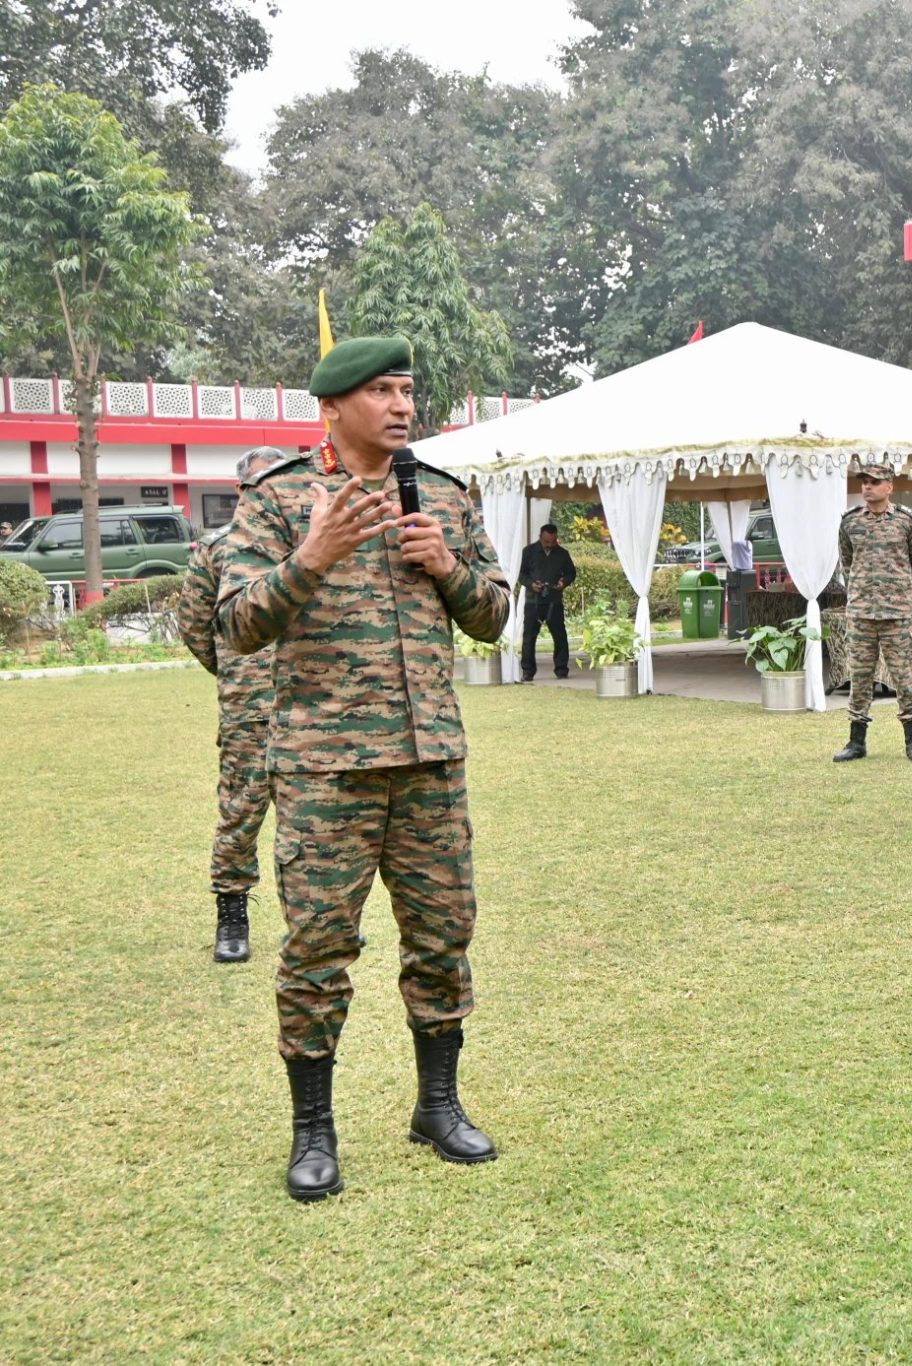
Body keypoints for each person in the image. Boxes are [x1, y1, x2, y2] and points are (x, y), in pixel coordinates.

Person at [216, 335, 511, 1201]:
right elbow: (234, 624)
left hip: (429, 764)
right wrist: (311, 557)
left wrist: (448, 567)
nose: (401, 406)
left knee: (443, 939)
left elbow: (495, 618)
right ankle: (314, 1131)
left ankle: (438, 1106)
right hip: (323, 773)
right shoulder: (278, 502)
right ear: (334, 406)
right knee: (316, 950)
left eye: (408, 390)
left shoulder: (447, 498)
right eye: (381, 390)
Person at [175, 445, 284, 963]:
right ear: (241, 490)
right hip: (248, 709)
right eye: (261, 482)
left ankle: (316, 919)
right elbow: (195, 626)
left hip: (313, 704)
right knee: (240, 812)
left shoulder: (308, 542)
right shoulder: (217, 548)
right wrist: (233, 674)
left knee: (316, 819)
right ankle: (231, 914)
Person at [833, 463, 912, 765]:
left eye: (875, 482)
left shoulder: (907, 521)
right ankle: (856, 741)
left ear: (889, 486)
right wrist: (863, 591)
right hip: (861, 612)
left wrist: (896, 591)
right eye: (864, 482)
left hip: (898, 614)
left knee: (905, 678)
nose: (868, 487)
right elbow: (847, 563)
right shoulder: (850, 522)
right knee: (859, 677)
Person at [516, 522, 576, 681]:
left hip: (554, 601)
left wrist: (564, 582)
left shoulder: (563, 553)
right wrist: (531, 584)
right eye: (546, 542)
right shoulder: (528, 552)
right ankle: (528, 671)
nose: (549, 545)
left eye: (553, 541)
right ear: (540, 537)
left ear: (556, 538)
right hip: (533, 601)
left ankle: (561, 669)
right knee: (529, 637)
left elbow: (571, 573)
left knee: (560, 636)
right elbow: (521, 574)